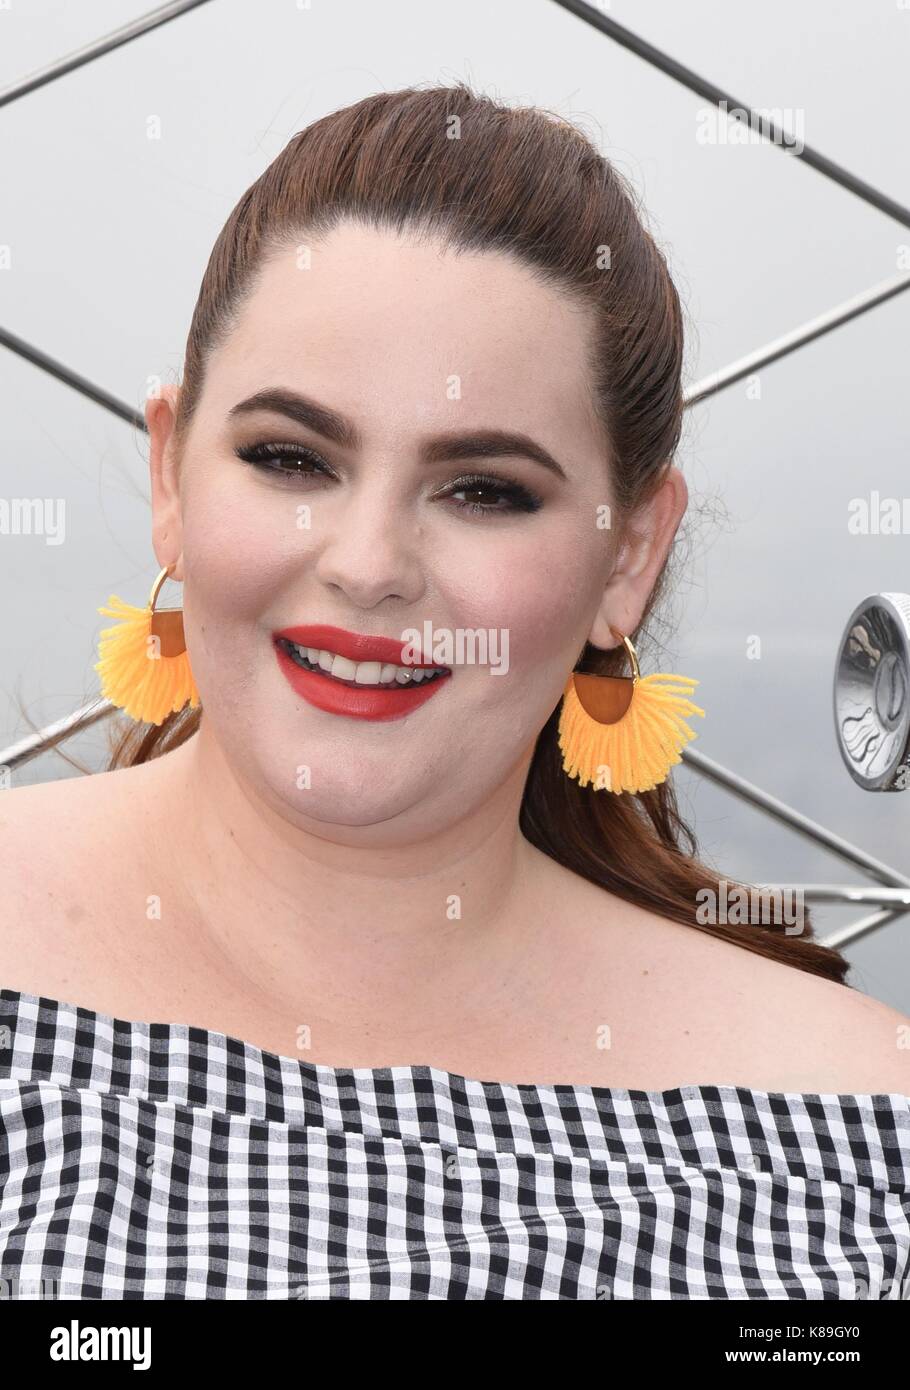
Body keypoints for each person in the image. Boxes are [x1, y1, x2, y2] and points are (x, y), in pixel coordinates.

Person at [0, 82, 907, 1301]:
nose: (368, 564)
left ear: (626, 554)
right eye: (288, 457)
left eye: (483, 489)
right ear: (171, 473)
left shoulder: (850, 1148)